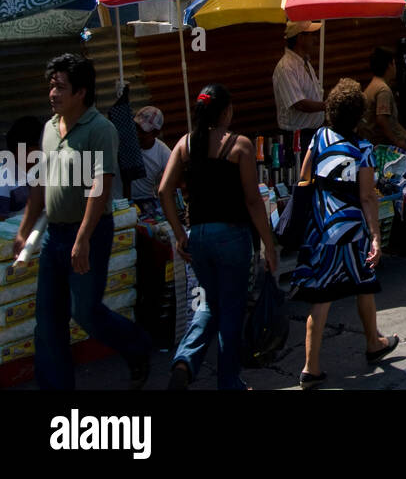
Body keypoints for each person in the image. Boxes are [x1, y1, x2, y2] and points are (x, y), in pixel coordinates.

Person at [14, 54, 152, 390]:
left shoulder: (100, 130)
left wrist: (83, 238)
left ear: (81, 92)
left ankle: (137, 346)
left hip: (90, 232)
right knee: (48, 320)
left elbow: (100, 185)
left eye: (60, 86)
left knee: (86, 313)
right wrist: (23, 230)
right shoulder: (49, 128)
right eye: (51, 85)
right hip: (53, 237)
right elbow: (40, 184)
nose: (52, 93)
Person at [159, 85, 278, 391]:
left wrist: (178, 234)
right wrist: (269, 245)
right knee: (231, 309)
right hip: (232, 238)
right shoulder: (239, 146)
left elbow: (163, 191)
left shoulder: (185, 144)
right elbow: (253, 202)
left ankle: (184, 362)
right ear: (226, 111)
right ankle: (228, 382)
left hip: (198, 236)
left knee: (210, 304)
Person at [291, 79, 400, 389]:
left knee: (324, 297)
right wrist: (376, 236)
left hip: (322, 229)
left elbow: (304, 179)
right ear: (358, 116)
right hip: (351, 231)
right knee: (364, 285)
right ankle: (371, 344)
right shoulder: (362, 150)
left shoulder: (319, 138)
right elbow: (367, 197)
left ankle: (313, 367)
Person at [272, 20, 325, 167]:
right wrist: (327, 106)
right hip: (297, 138)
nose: (315, 39)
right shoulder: (286, 67)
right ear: (300, 38)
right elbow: (299, 104)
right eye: (311, 35)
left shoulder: (304, 63)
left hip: (311, 134)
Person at [362, 48, 406, 153]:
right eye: (394, 64)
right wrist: (398, 142)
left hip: (380, 138)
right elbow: (382, 120)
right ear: (389, 66)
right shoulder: (383, 90)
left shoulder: (373, 85)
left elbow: (393, 123)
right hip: (380, 142)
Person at [127, 106, 170, 208]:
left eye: (142, 131)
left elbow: (176, 179)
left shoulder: (163, 152)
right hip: (121, 201)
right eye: (136, 128)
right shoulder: (125, 144)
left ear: (156, 133)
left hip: (146, 201)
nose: (137, 134)